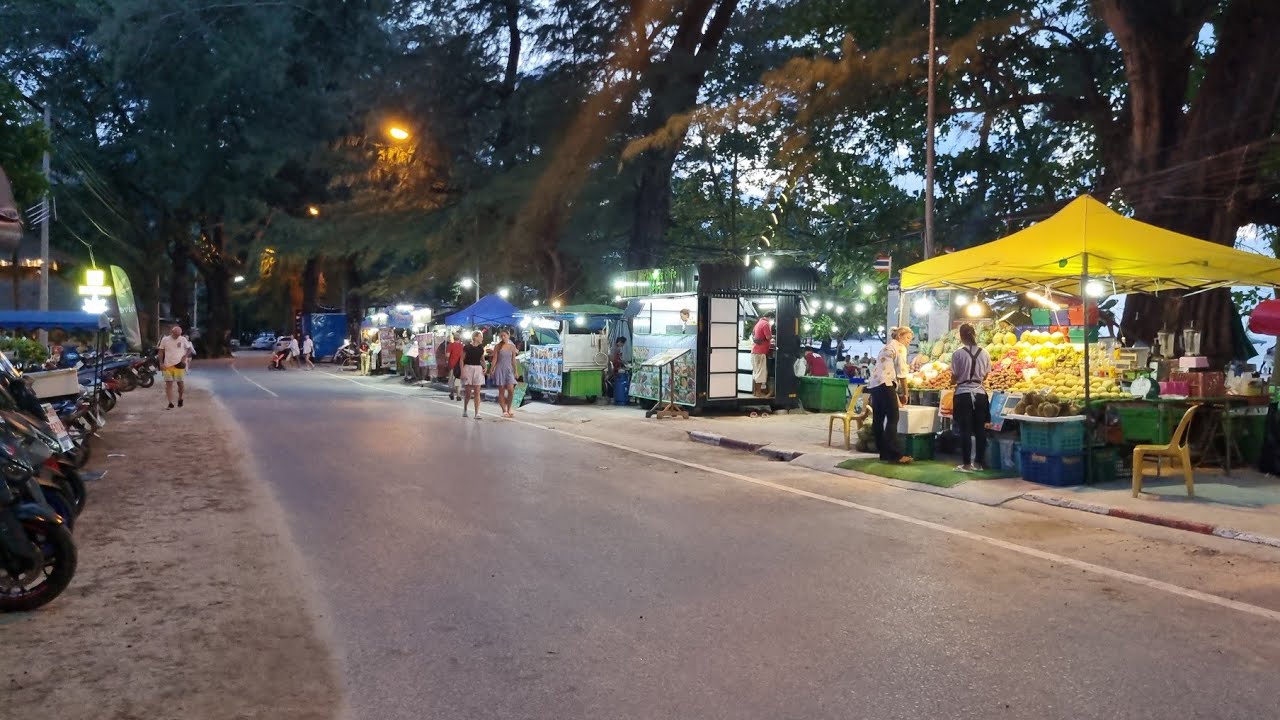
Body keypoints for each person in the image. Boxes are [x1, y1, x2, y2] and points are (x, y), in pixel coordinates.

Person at [950, 323, 992, 472]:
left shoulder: (958, 354)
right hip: (980, 393)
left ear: (961, 337)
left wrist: (952, 382)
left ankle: (966, 464)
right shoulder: (985, 353)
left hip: (963, 394)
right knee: (981, 429)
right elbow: (986, 375)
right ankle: (979, 463)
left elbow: (954, 376)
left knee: (965, 430)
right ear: (974, 334)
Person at [868, 326, 913, 464]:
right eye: (907, 338)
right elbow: (902, 373)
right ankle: (895, 455)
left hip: (875, 384)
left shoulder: (886, 347)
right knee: (893, 418)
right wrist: (905, 393)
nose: (908, 342)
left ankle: (884, 453)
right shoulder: (899, 347)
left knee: (878, 419)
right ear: (900, 336)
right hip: (886, 384)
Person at [157, 325, 194, 409]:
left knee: (180, 384)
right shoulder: (165, 340)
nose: (177, 336)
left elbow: (189, 349)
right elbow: (161, 352)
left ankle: (180, 398)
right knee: (169, 384)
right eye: (176, 334)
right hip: (168, 365)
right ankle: (170, 402)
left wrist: (185, 356)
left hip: (179, 365)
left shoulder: (183, 339)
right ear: (172, 332)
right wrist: (161, 363)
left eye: (179, 334)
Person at [489, 330, 519, 418]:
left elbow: (513, 360)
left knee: (511, 390)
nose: (503, 337)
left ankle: (509, 408)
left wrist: (516, 371)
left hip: (509, 369)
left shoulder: (512, 346)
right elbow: (495, 358)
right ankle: (504, 410)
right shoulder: (498, 346)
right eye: (501, 336)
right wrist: (491, 369)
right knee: (501, 390)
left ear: (508, 336)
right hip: (500, 369)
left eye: (504, 335)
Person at [461, 331, 486, 419]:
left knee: (477, 391)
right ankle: (465, 409)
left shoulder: (480, 348)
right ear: (475, 337)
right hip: (468, 368)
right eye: (480, 336)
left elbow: (482, 359)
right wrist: (462, 371)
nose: (482, 338)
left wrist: (485, 367)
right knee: (468, 392)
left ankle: (477, 412)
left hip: (478, 369)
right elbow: (462, 359)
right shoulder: (467, 347)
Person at [751, 311, 774, 397]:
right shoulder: (766, 324)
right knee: (761, 373)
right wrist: (773, 337)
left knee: (756, 372)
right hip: (761, 352)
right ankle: (758, 392)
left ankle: (755, 392)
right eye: (773, 319)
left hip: (754, 351)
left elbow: (754, 334)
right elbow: (768, 337)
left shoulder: (758, 323)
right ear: (770, 317)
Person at [447, 332, 465, 400]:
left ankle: (452, 393)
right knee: (458, 379)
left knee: (451, 380)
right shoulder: (462, 346)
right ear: (460, 338)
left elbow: (447, 355)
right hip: (459, 365)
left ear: (453, 338)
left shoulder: (450, 345)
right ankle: (458, 395)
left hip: (452, 364)